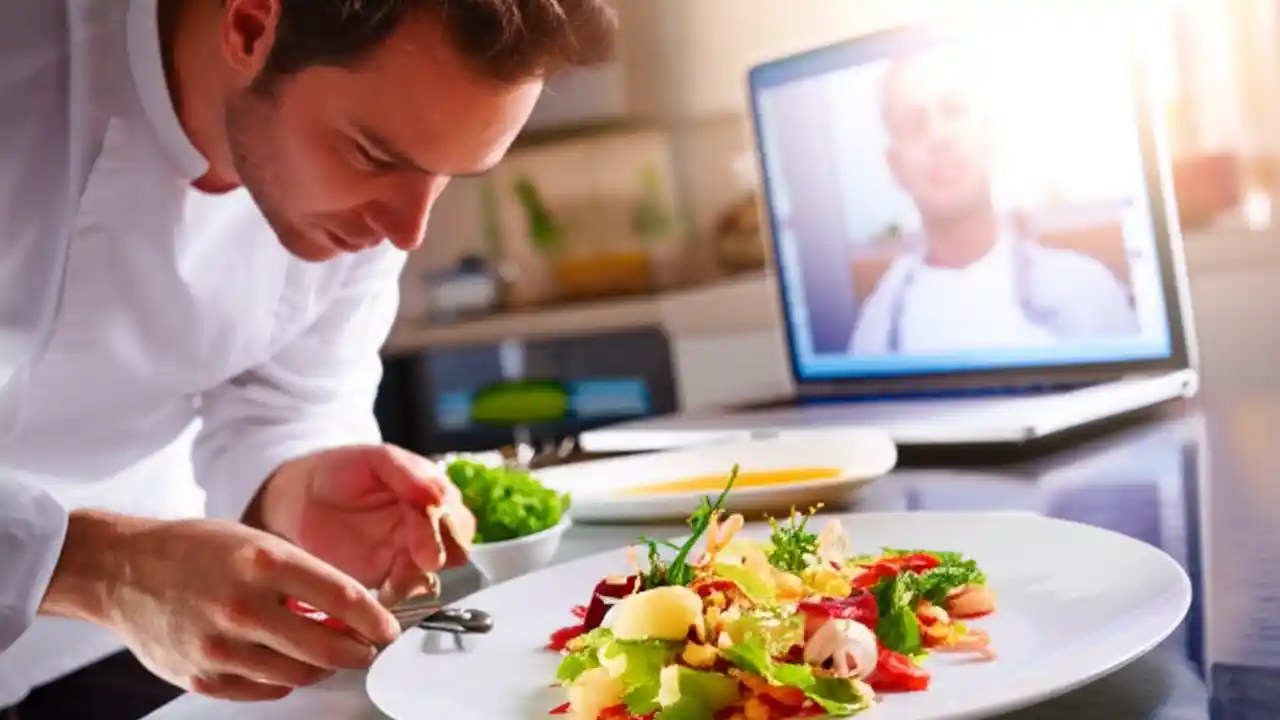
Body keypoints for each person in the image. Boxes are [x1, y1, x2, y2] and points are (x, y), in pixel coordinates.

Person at [0, 0, 615, 717]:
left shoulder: (374, 196)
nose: (406, 231)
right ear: (251, 26)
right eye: (374, 155)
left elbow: (291, 396)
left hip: (142, 633)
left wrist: (299, 483)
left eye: (446, 175)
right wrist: (106, 567)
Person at [848, 49, 1139, 357]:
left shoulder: (1087, 291)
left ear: (989, 131)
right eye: (914, 125)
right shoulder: (874, 336)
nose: (939, 136)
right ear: (896, 166)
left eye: (954, 109)